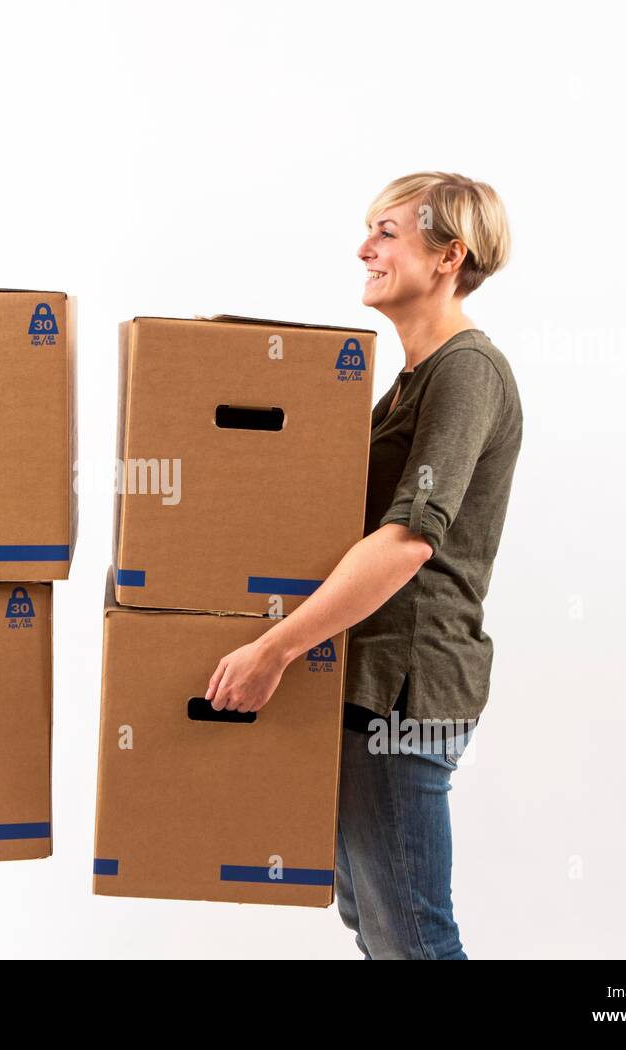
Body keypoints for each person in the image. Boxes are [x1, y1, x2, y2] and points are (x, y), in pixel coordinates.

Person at [204, 172, 522, 959]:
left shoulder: (466, 371)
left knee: (410, 935)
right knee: (379, 924)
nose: (364, 248)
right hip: (369, 682)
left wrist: (274, 648)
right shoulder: (408, 383)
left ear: (449, 255)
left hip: (405, 691)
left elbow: (411, 539)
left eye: (386, 232)